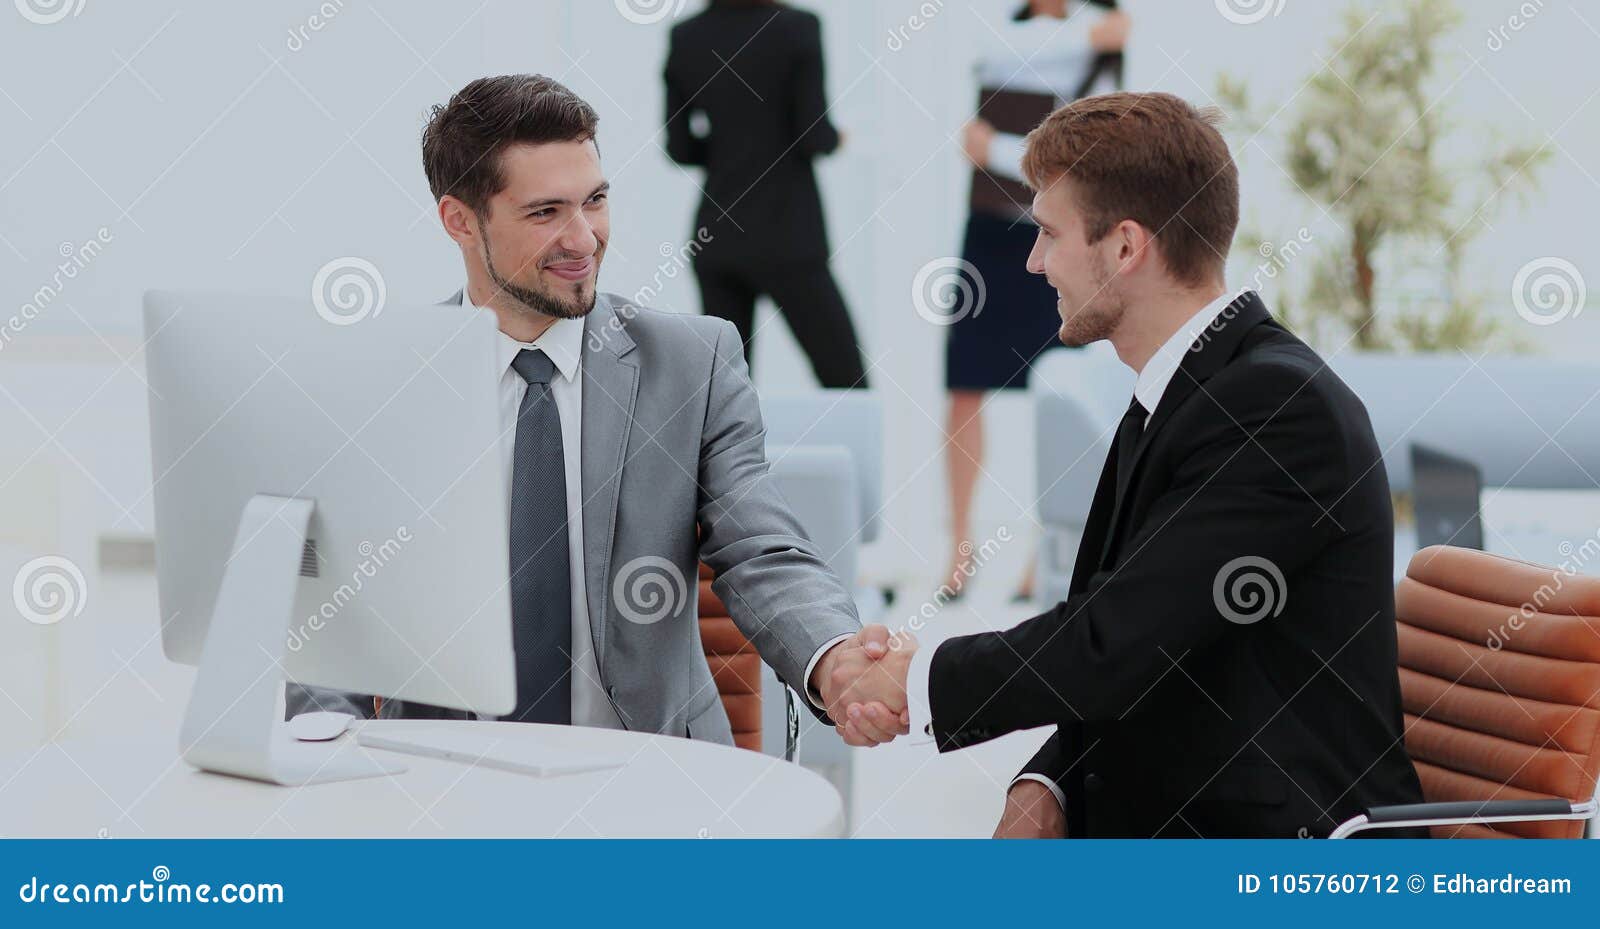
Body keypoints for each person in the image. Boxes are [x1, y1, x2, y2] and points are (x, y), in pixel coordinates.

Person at [829, 92, 1425, 837]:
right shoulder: (1190, 388)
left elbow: (1113, 641)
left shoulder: (1275, 407)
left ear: (1125, 247)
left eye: (1048, 233)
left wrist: (913, 680)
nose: (1033, 260)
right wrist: (1049, 777)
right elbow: (1158, 641)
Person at [288, 75, 898, 747]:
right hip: (445, 782)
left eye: (596, 201)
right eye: (546, 212)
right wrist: (325, 744)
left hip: (651, 780)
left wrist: (834, 657)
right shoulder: (383, 381)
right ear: (460, 220)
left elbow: (760, 547)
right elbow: (328, 610)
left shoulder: (693, 362)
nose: (584, 239)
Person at [942, 0, 1129, 600]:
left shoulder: (1106, 42)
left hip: (1059, 236)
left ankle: (1043, 551)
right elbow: (991, 48)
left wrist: (994, 148)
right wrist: (1083, 37)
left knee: (1057, 389)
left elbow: (1078, 160)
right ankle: (959, 550)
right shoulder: (1040, 33)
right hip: (986, 229)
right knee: (964, 383)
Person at [663, 0, 869, 388]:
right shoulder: (798, 27)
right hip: (788, 235)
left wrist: (732, 148)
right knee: (848, 384)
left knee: (726, 400)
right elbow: (814, 136)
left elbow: (680, 149)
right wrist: (838, 139)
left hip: (718, 237)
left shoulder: (686, 36)